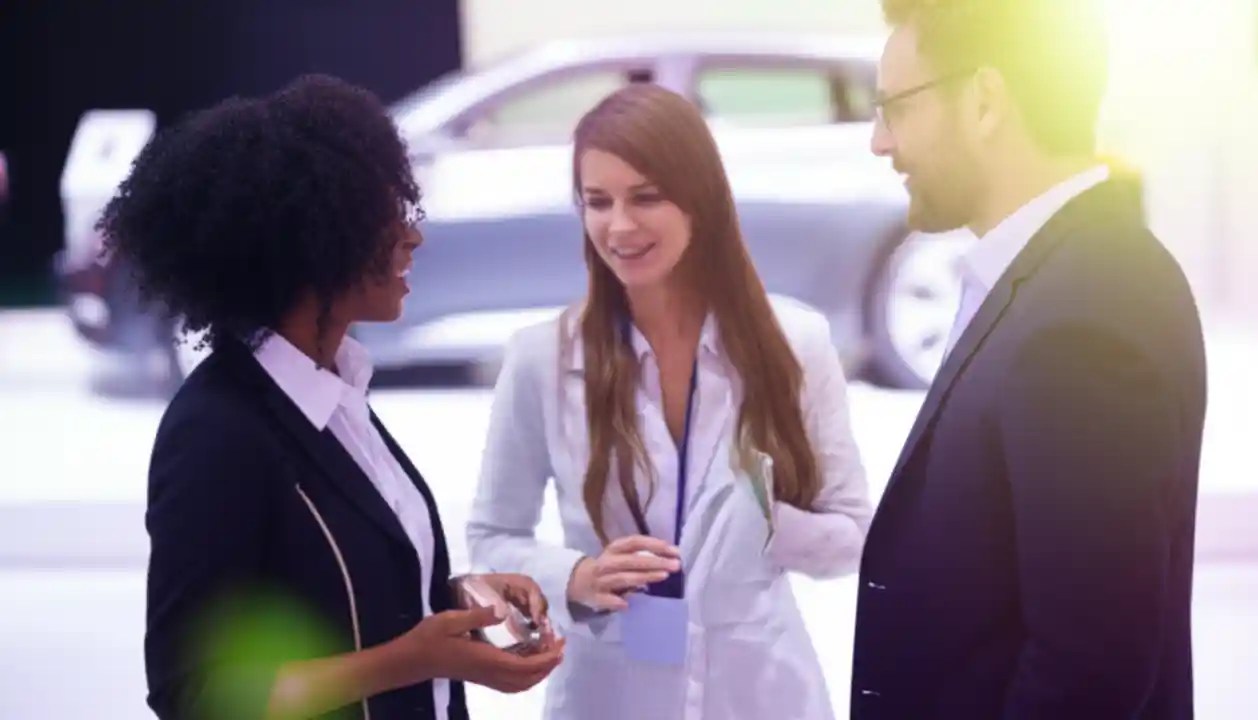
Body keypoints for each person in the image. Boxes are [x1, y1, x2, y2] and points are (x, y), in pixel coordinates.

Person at [98, 75, 564, 720]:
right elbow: (193, 694)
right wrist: (417, 658)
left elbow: (341, 595)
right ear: (310, 237)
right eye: (383, 216)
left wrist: (464, 601)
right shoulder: (216, 432)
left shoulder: (337, 392)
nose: (413, 235)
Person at [466, 83, 874, 720]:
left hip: (759, 690)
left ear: (700, 202)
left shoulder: (796, 343)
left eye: (646, 197)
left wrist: (762, 528)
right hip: (609, 690)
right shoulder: (541, 358)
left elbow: (853, 536)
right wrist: (575, 576)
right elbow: (492, 537)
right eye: (597, 202)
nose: (619, 226)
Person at [852, 1, 1207, 718]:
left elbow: (1089, 670)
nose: (879, 141)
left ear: (985, 100)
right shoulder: (1066, 272)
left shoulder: (1085, 314)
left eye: (896, 107)